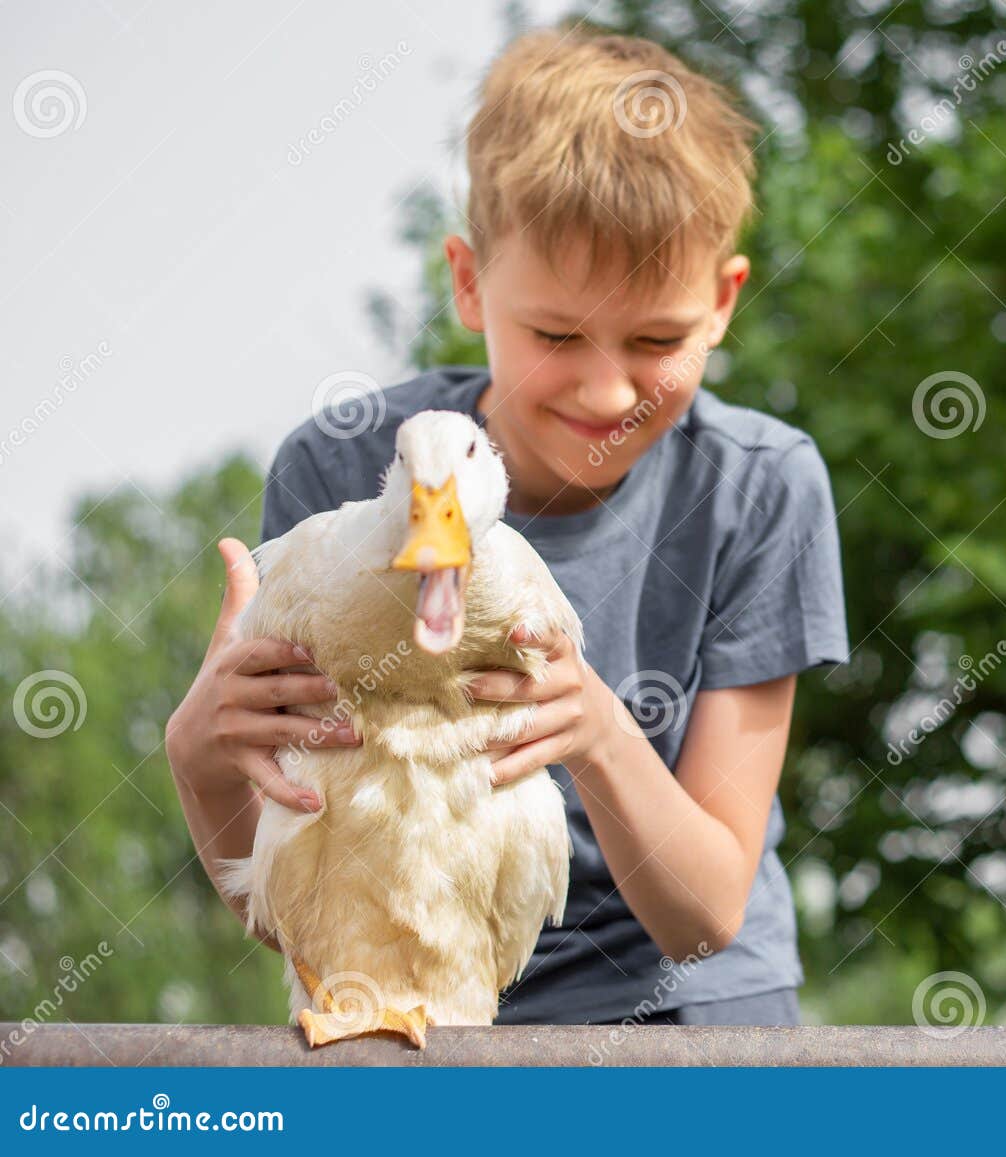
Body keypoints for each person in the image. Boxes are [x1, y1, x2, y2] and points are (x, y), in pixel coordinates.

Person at [163, 22, 849, 1027]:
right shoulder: (342, 473)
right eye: (555, 334)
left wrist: (598, 730)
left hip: (698, 1019)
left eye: (656, 338)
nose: (606, 385)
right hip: (414, 1012)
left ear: (722, 302)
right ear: (470, 281)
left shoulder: (761, 489)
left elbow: (703, 916)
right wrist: (197, 753)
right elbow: (287, 910)